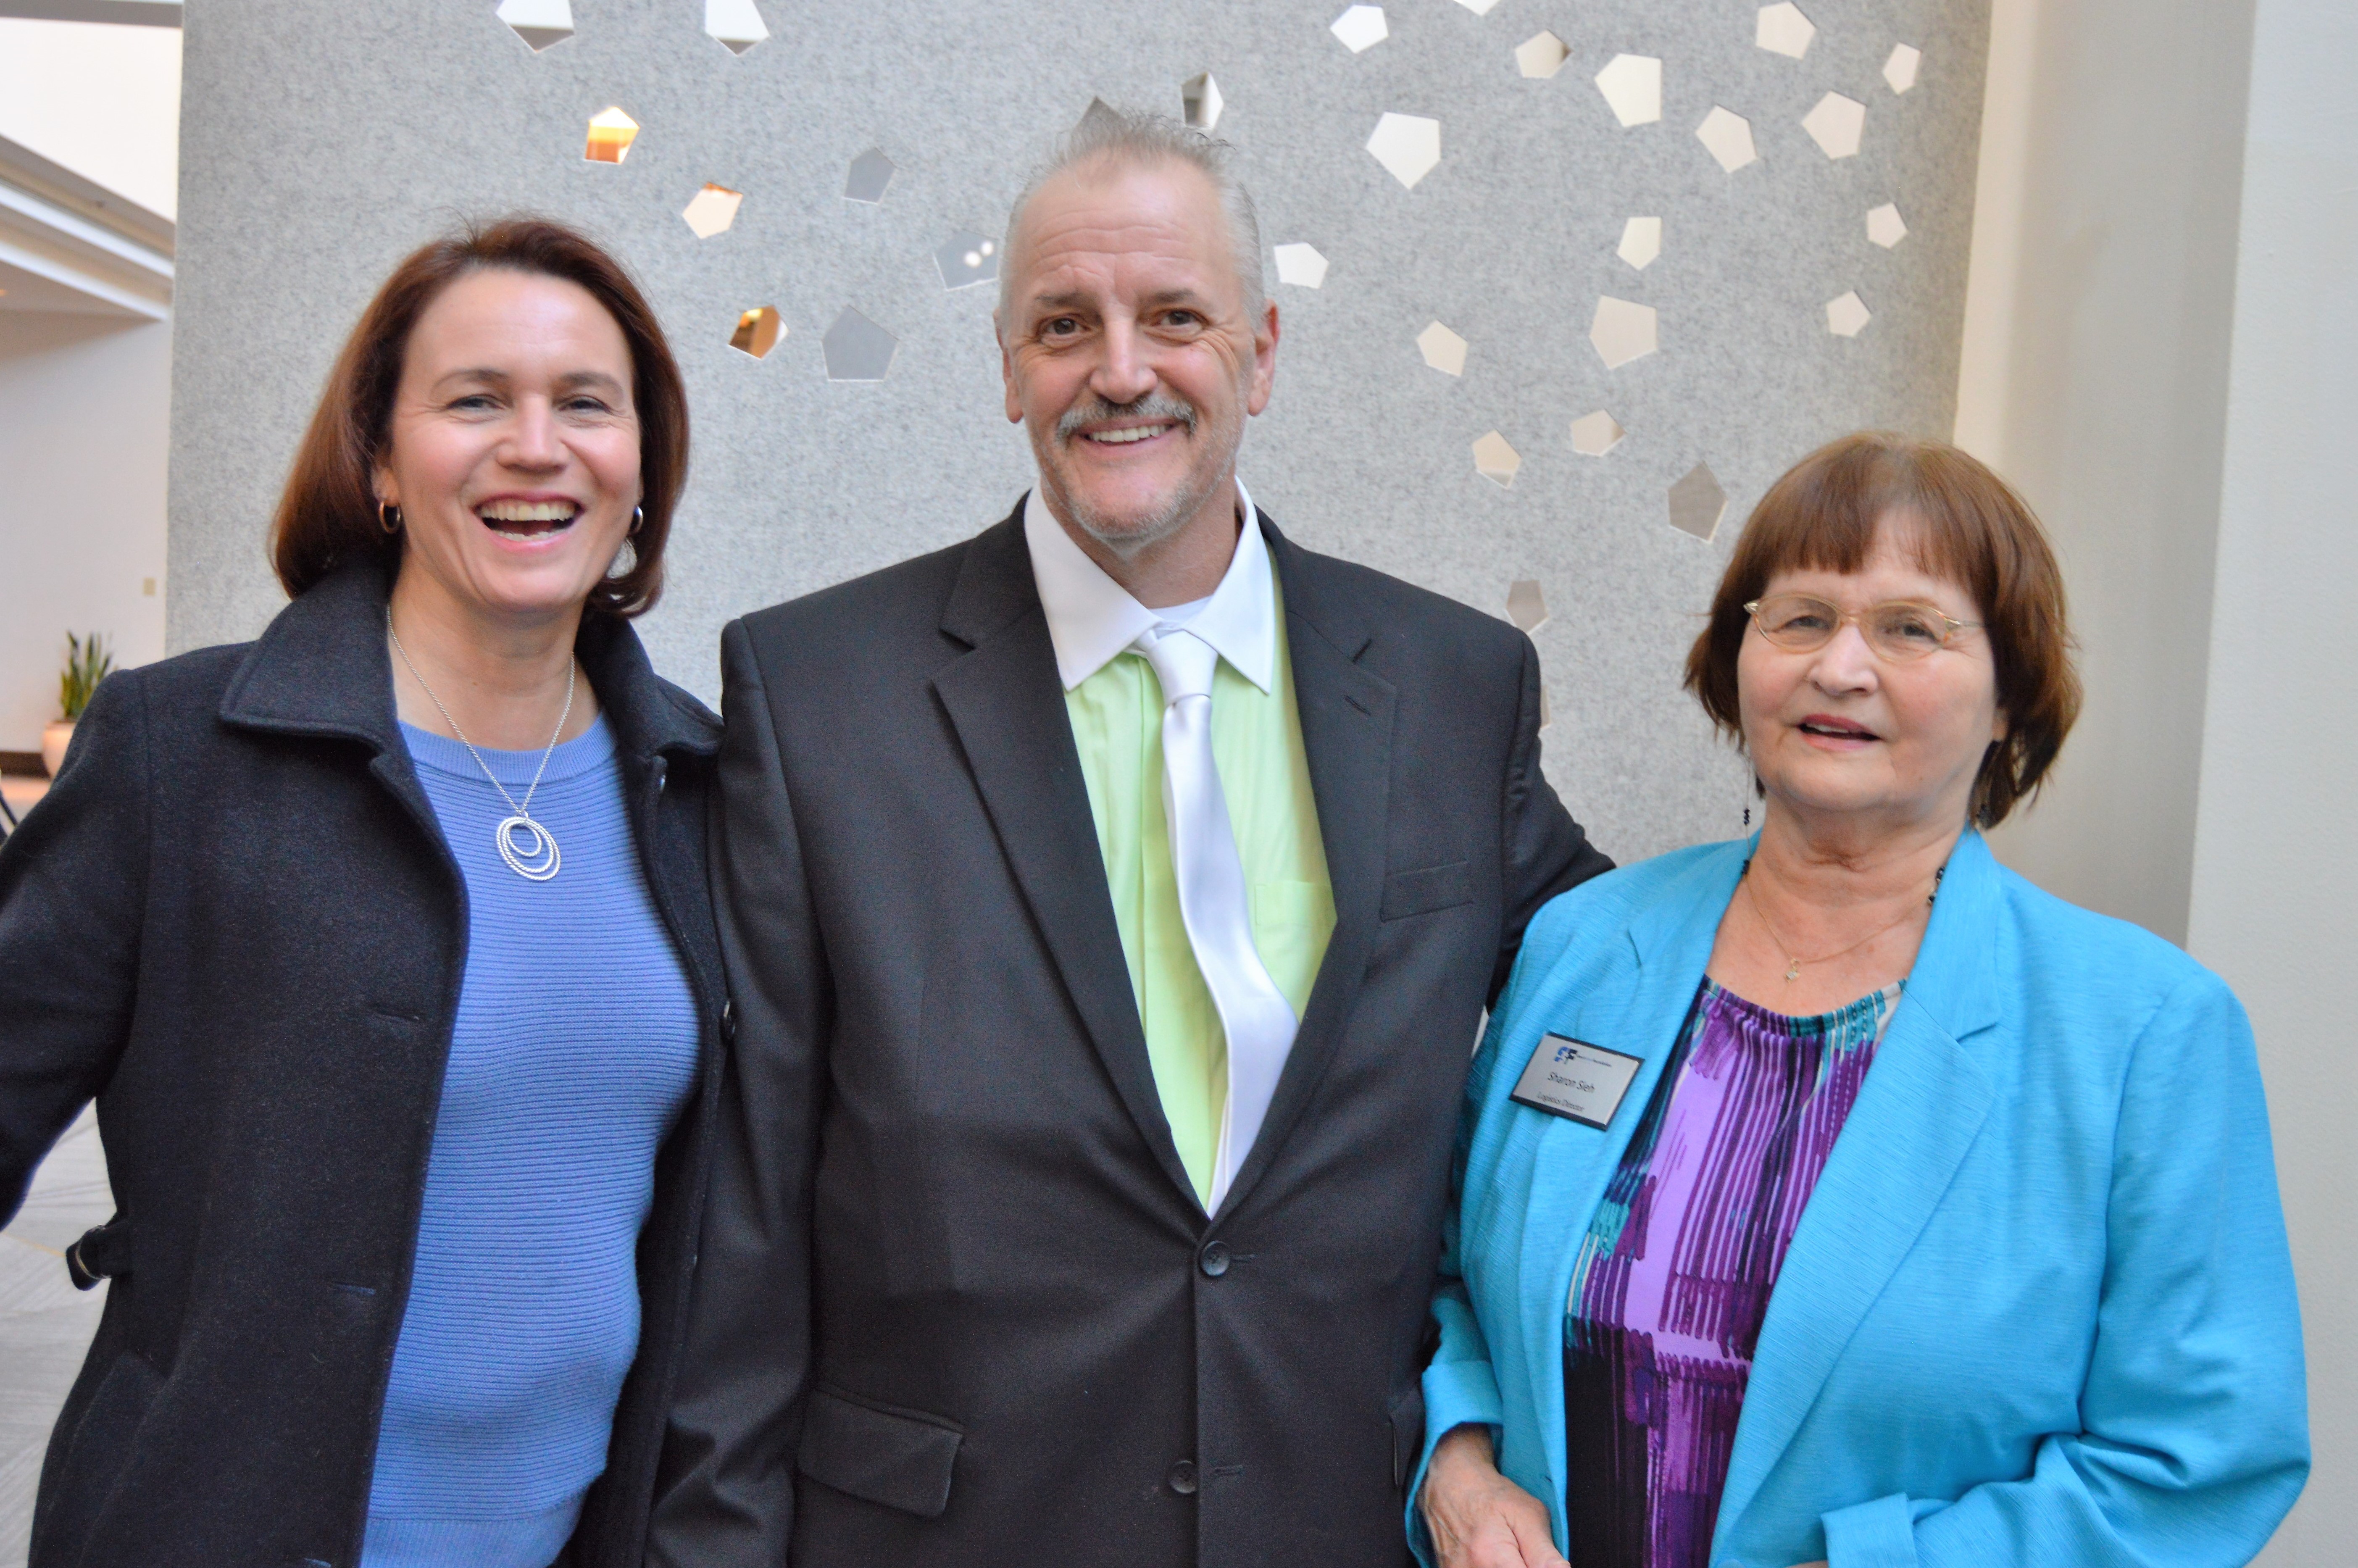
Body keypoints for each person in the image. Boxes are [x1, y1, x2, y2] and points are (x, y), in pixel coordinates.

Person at [647, 104, 1613, 1567]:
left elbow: (1616, 1001)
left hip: (1327, 1515)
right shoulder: (816, 693)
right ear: (1009, 368)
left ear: (1262, 354)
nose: (1118, 371)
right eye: (1061, 323)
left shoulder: (1455, 685)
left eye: (1174, 315)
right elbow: (748, 1210)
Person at [1411, 432, 2309, 1568]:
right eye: (1798, 619)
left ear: (2006, 700)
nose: (1840, 667)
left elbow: (2201, 1459)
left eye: (1909, 628)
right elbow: (1432, 1265)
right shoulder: (1586, 944)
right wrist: (1457, 1461)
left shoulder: (2140, 1031)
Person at [0, 217, 729, 1568]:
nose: (535, 444)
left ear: (642, 468)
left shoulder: (709, 781)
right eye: (474, 401)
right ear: (382, 462)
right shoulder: (182, 752)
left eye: (586, 403)